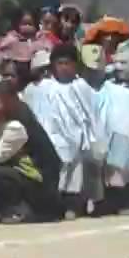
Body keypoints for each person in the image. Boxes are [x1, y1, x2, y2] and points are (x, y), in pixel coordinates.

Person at [0, 81, 62, 223]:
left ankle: (20, 209)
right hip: (22, 178)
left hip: (40, 186)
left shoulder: (16, 126)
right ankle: (2, 208)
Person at [32, 43, 100, 217]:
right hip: (53, 138)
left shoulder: (82, 87)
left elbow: (91, 114)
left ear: (75, 65)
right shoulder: (45, 87)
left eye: (67, 63)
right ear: (53, 65)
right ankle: (55, 205)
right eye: (60, 63)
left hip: (76, 139)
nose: (63, 68)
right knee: (56, 174)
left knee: (76, 175)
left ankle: (73, 206)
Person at [92, 41, 129, 214]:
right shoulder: (108, 87)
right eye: (117, 63)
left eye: (124, 63)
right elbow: (100, 110)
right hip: (115, 135)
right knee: (114, 170)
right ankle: (114, 202)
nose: (119, 67)